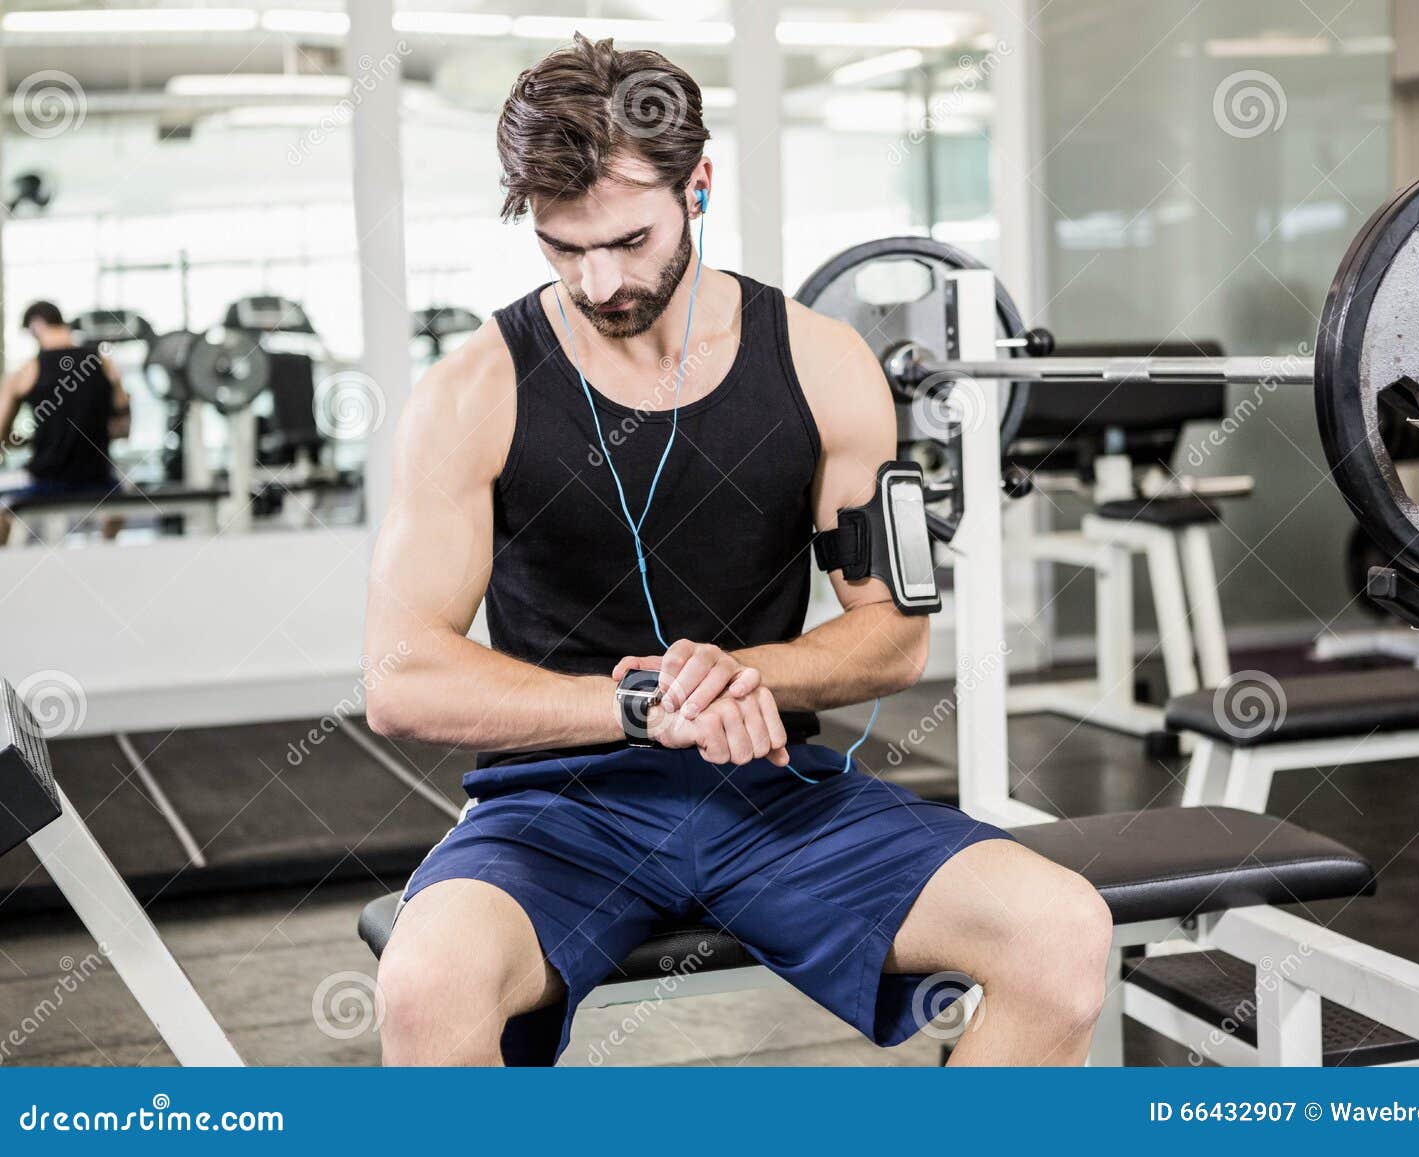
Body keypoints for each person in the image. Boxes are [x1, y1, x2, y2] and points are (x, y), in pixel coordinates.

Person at [363, 34, 1111, 1067]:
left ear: (697, 185)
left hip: (773, 793)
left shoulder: (821, 362)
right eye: (562, 246)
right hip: (556, 810)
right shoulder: (470, 392)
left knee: (1060, 934)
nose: (597, 279)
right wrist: (639, 705)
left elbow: (892, 639)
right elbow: (400, 679)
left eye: (628, 239)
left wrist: (742, 675)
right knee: (420, 985)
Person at [0, 301, 129, 545]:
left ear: (35, 326)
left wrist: (28, 441)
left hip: (46, 480)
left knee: (3, 510)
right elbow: (123, 427)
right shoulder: (103, 362)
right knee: (117, 508)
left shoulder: (26, 371)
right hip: (99, 479)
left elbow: (1, 435)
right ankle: (105, 554)